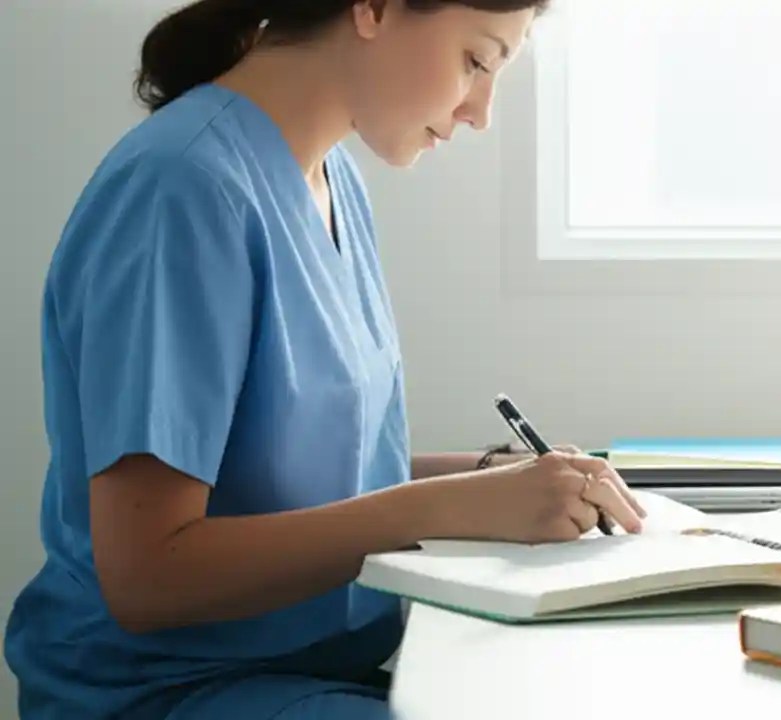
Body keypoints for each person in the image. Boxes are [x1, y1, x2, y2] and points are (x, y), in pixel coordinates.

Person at [3, 1, 647, 718]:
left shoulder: (330, 177)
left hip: (309, 677)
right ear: (373, 9)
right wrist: (448, 507)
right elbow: (149, 574)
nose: (480, 112)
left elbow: (305, 480)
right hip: (163, 695)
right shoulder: (179, 191)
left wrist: (499, 480)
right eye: (477, 61)